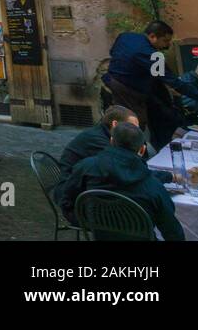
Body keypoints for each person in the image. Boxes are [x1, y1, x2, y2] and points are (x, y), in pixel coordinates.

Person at [57, 121, 185, 240]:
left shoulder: (86, 167)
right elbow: (172, 231)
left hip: (100, 234)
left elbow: (67, 198)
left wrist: (90, 220)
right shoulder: (153, 186)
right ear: (142, 150)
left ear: (111, 141)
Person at [103, 20, 181, 151]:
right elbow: (172, 81)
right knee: (133, 124)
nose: (167, 45)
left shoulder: (126, 36)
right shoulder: (150, 54)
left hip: (112, 84)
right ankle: (131, 153)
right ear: (152, 36)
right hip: (128, 91)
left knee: (124, 122)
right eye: (165, 41)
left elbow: (112, 53)